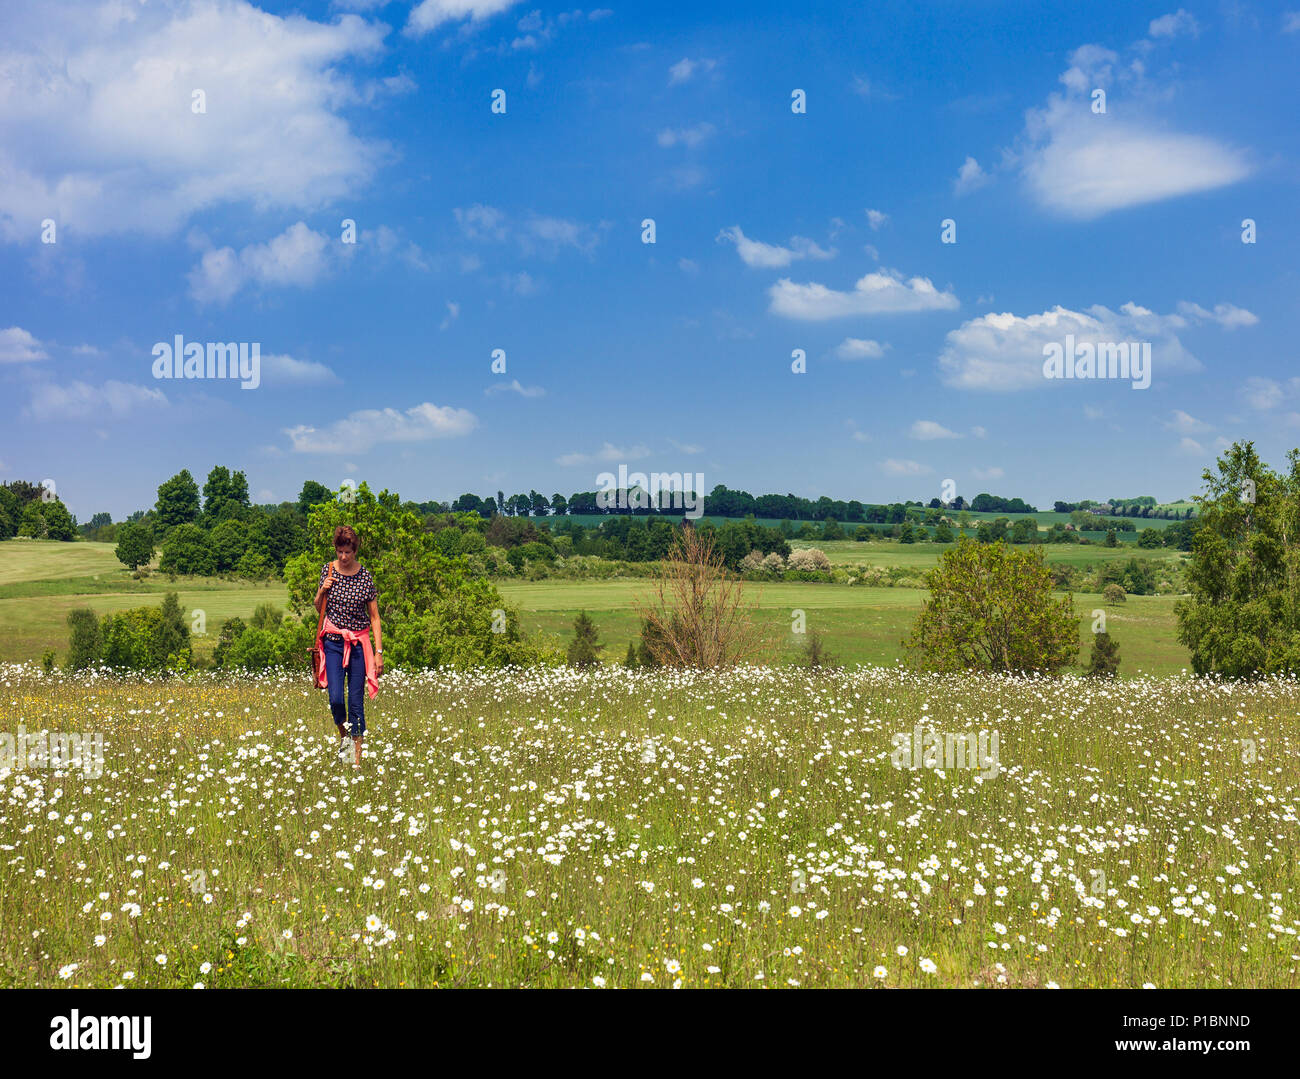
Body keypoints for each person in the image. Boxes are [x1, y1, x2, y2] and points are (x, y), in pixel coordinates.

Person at [312, 525, 382, 767]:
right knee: (335, 699)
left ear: (355, 551)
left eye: (348, 552)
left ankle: (356, 760)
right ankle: (345, 739)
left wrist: (379, 652)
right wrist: (323, 589)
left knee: (355, 701)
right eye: (340, 551)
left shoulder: (365, 577)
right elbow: (317, 606)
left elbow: (374, 617)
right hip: (332, 643)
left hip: (359, 645)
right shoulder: (328, 570)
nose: (343, 557)